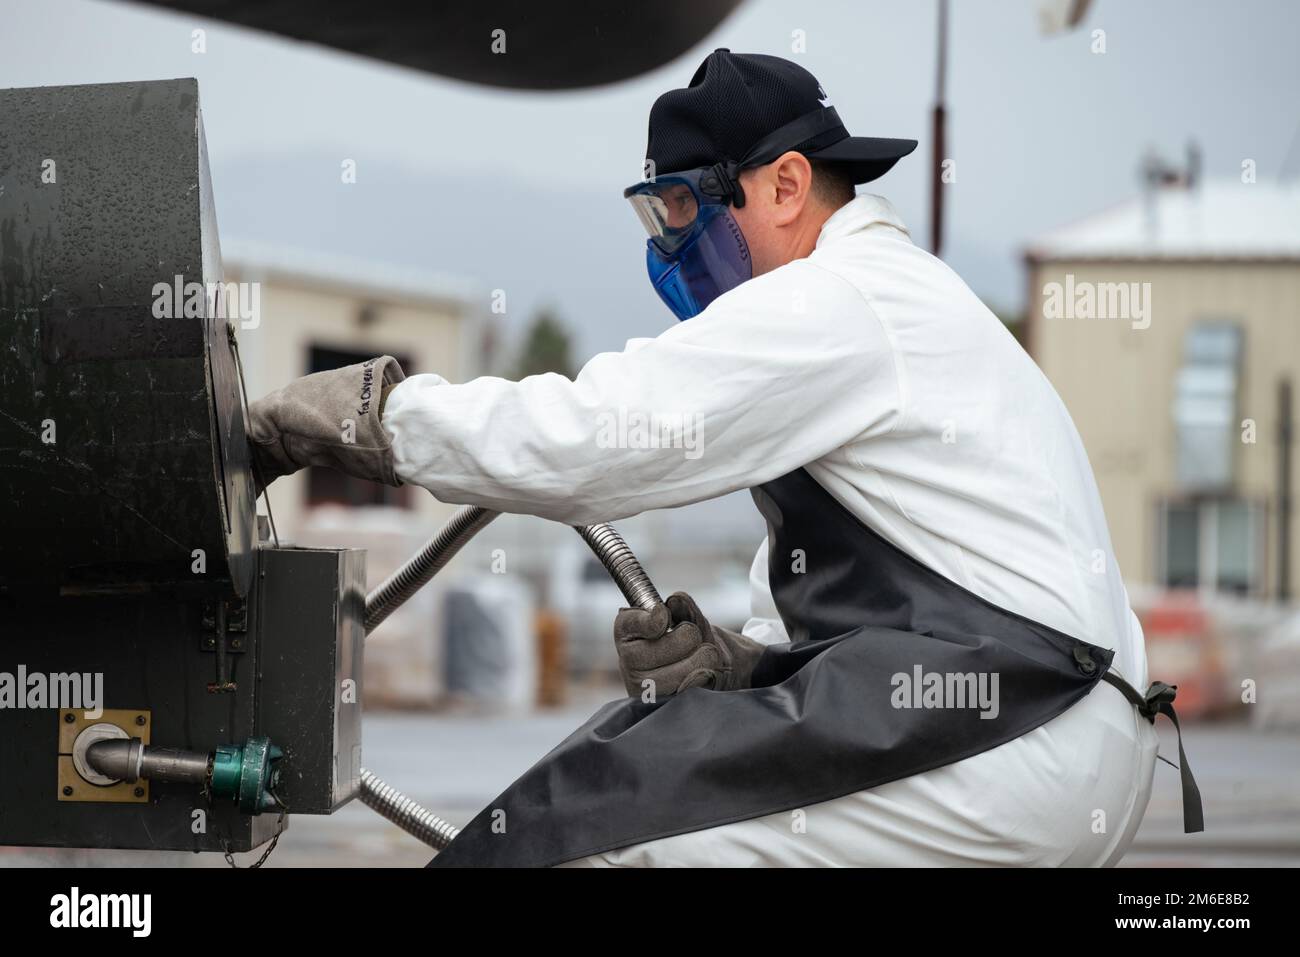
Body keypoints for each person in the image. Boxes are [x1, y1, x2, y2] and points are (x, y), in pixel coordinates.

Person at [248, 49, 1200, 867]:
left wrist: (378, 419)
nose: (670, 249)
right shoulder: (890, 314)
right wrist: (747, 666)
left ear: (786, 186)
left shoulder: (840, 299)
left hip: (1012, 733)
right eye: (652, 219)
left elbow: (601, 434)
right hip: (1032, 729)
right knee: (651, 774)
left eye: (681, 210)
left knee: (585, 819)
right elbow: (911, 579)